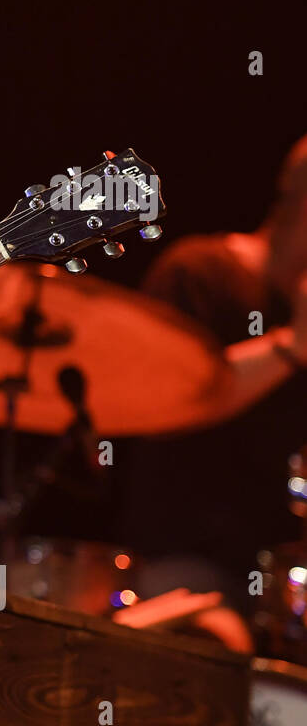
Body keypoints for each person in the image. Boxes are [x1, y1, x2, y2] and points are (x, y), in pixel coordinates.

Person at [119, 134, 307, 642]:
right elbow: (162, 405)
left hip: (285, 575)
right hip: (187, 567)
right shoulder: (201, 273)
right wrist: (292, 345)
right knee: (214, 639)